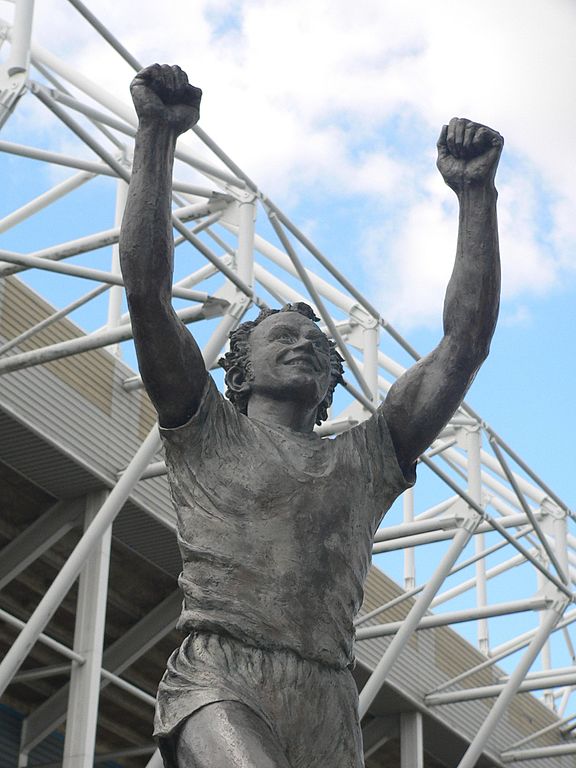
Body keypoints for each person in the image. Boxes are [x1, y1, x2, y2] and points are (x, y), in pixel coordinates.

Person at [119, 64, 503, 768]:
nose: (301, 345)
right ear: (236, 371)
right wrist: (157, 137)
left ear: (331, 382)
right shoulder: (204, 427)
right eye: (281, 339)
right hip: (220, 676)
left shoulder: (367, 457)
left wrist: (476, 197)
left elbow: (464, 345)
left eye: (316, 348)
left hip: (326, 691)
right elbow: (147, 291)